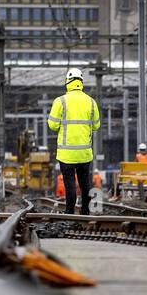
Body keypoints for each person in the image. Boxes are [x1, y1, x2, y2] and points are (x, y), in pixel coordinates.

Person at [47, 67, 100, 215]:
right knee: (85, 183)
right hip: (84, 153)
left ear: (67, 82)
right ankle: (85, 211)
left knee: (69, 183)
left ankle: (69, 212)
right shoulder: (91, 102)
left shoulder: (60, 101)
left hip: (66, 154)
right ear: (81, 82)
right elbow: (96, 125)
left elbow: (52, 125)